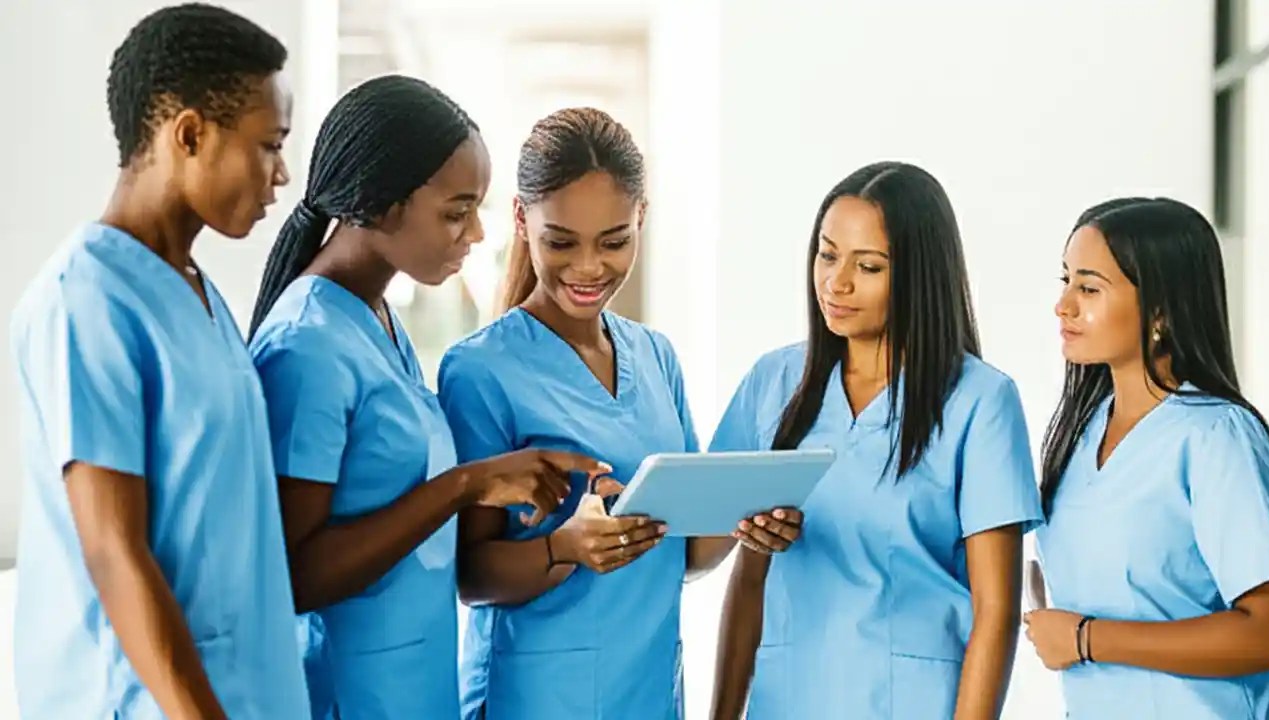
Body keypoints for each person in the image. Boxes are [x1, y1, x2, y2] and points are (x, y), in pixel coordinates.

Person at [248, 75, 607, 720]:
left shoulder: (376, 320)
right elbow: (293, 576)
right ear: (382, 206)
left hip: (409, 692)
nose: (474, 235)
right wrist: (466, 487)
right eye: (455, 211)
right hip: (343, 697)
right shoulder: (308, 347)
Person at [436, 107, 800, 720]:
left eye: (613, 241)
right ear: (522, 220)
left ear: (641, 219)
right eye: (561, 242)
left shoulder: (655, 356)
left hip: (649, 692)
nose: (588, 268)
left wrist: (748, 523)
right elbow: (469, 574)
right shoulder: (480, 371)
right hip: (535, 699)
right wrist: (563, 549)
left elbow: (683, 553)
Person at [8, 5, 307, 718]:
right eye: (269, 145)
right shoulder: (88, 297)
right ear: (191, 134)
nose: (282, 175)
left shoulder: (202, 297)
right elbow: (113, 550)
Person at [709, 162, 1044, 720]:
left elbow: (996, 611)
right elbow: (745, 580)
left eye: (868, 266)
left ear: (919, 275)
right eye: (827, 254)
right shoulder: (773, 384)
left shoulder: (980, 402)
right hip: (787, 701)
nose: (836, 283)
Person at [1025, 197, 1269, 719]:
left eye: (1089, 288)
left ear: (1160, 311)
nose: (1064, 305)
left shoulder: (1214, 436)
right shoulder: (1081, 434)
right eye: (1066, 280)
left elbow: (1268, 629)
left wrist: (1089, 639)